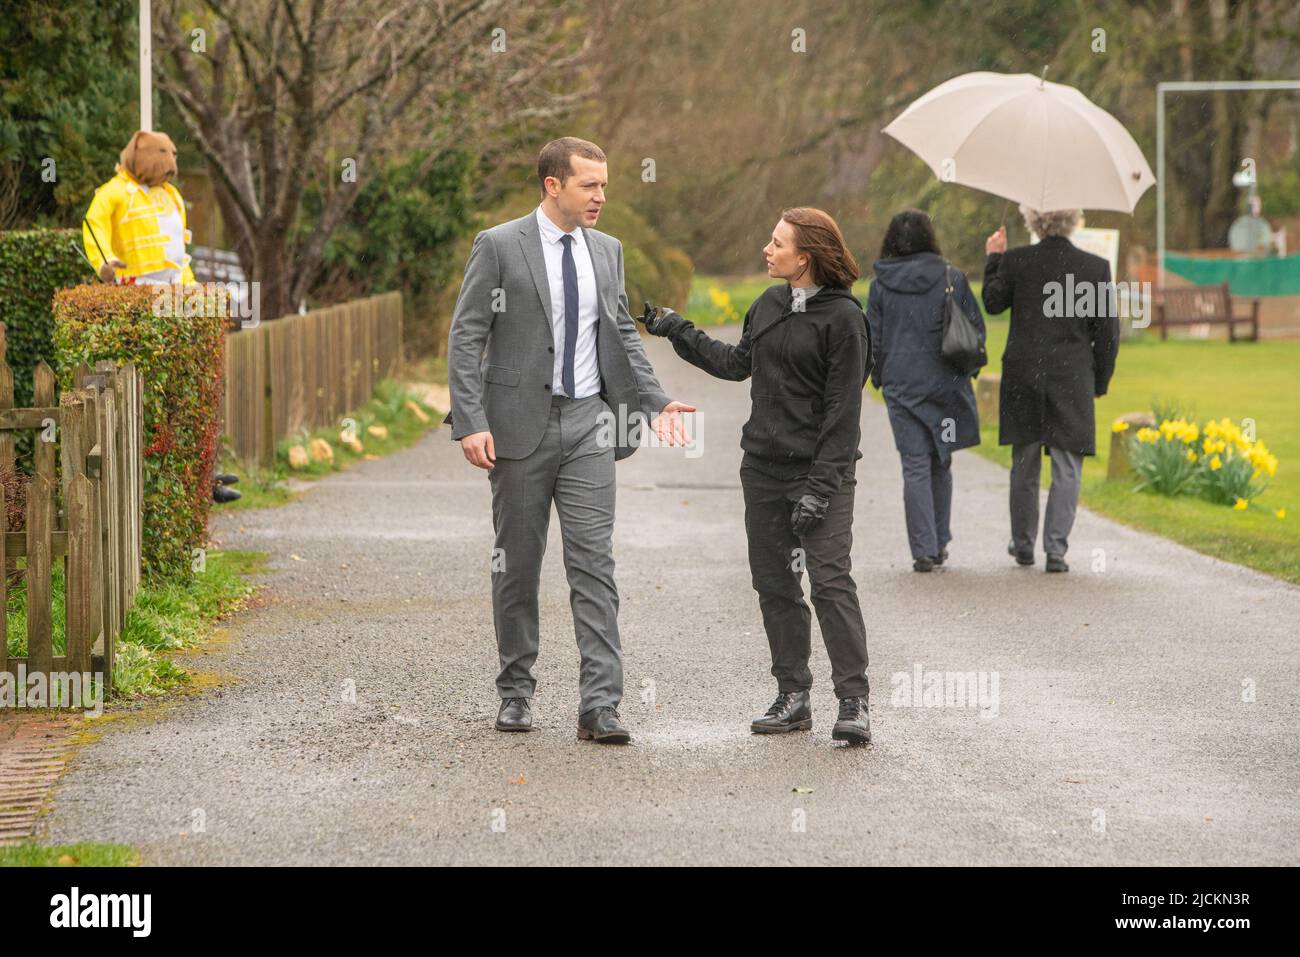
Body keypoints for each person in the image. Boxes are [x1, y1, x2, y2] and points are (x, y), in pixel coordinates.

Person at [446, 137, 695, 744]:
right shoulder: (500, 245)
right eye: (590, 185)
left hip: (590, 423)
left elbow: (624, 336)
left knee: (593, 565)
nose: (601, 197)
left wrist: (656, 399)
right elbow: (466, 334)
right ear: (553, 185)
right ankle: (515, 691)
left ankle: (600, 704)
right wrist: (471, 419)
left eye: (605, 185)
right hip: (517, 428)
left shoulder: (607, 251)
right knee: (518, 565)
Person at [638, 208, 872, 745]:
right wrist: (678, 329)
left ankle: (854, 702)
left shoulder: (844, 320)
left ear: (805, 256)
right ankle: (793, 696)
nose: (767, 250)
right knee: (775, 584)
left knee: (832, 584)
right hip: (762, 470)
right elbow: (735, 362)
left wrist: (820, 489)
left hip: (821, 477)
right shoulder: (768, 304)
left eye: (777, 243)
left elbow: (843, 416)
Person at [982, 207, 1119, 573]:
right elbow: (1106, 334)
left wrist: (994, 257)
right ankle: (1055, 550)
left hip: (1024, 372)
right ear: (1073, 222)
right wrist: (1100, 381)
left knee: (1024, 463)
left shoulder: (1016, 261)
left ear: (1034, 222)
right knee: (1067, 465)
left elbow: (993, 304)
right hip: (1072, 376)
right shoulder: (1094, 268)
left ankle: (1023, 544)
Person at [866, 209, 982, 572]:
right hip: (945, 382)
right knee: (941, 460)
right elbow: (974, 330)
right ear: (930, 237)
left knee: (914, 464)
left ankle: (923, 550)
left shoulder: (880, 283)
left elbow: (874, 338)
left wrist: (879, 376)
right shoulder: (952, 276)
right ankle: (940, 541)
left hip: (901, 386)